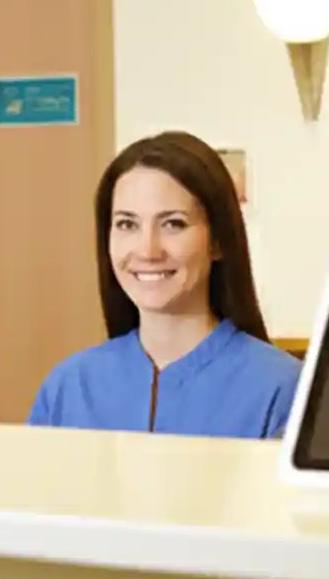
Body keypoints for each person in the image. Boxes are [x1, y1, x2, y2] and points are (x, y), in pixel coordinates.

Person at [27, 131, 300, 439]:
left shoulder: (283, 389)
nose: (147, 251)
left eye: (173, 224)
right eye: (127, 224)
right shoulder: (68, 387)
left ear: (218, 241)